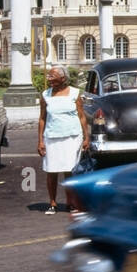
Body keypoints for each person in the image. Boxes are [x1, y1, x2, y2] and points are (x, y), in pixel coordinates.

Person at [37, 65, 88, 214]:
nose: (49, 79)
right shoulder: (46, 95)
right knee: (52, 170)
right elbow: (42, 119)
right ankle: (52, 203)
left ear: (63, 78)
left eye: (52, 76)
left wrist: (86, 138)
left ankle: (71, 202)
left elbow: (82, 116)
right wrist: (40, 141)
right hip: (52, 137)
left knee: (70, 170)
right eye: (49, 76)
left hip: (73, 137)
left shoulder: (74, 93)